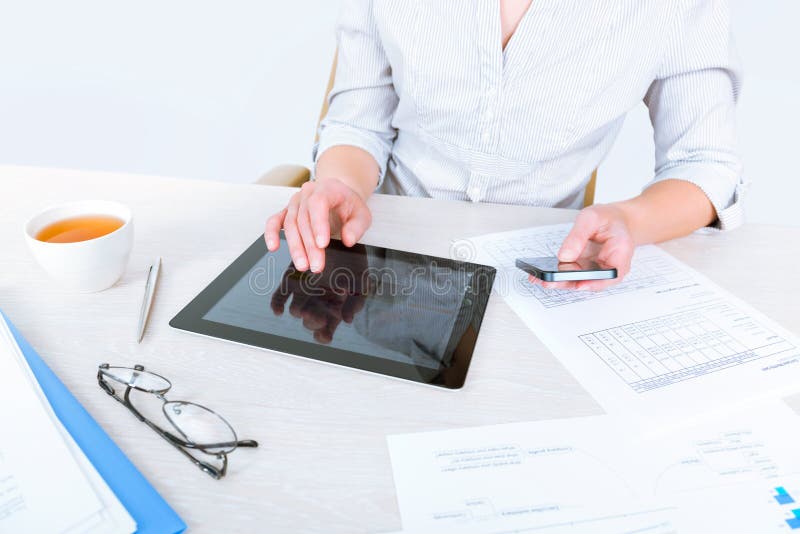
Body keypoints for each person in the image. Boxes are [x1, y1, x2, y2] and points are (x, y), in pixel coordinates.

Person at [265, 0, 743, 291]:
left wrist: (631, 220)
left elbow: (704, 162)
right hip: (380, 264)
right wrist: (340, 186)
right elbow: (359, 125)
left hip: (540, 276)